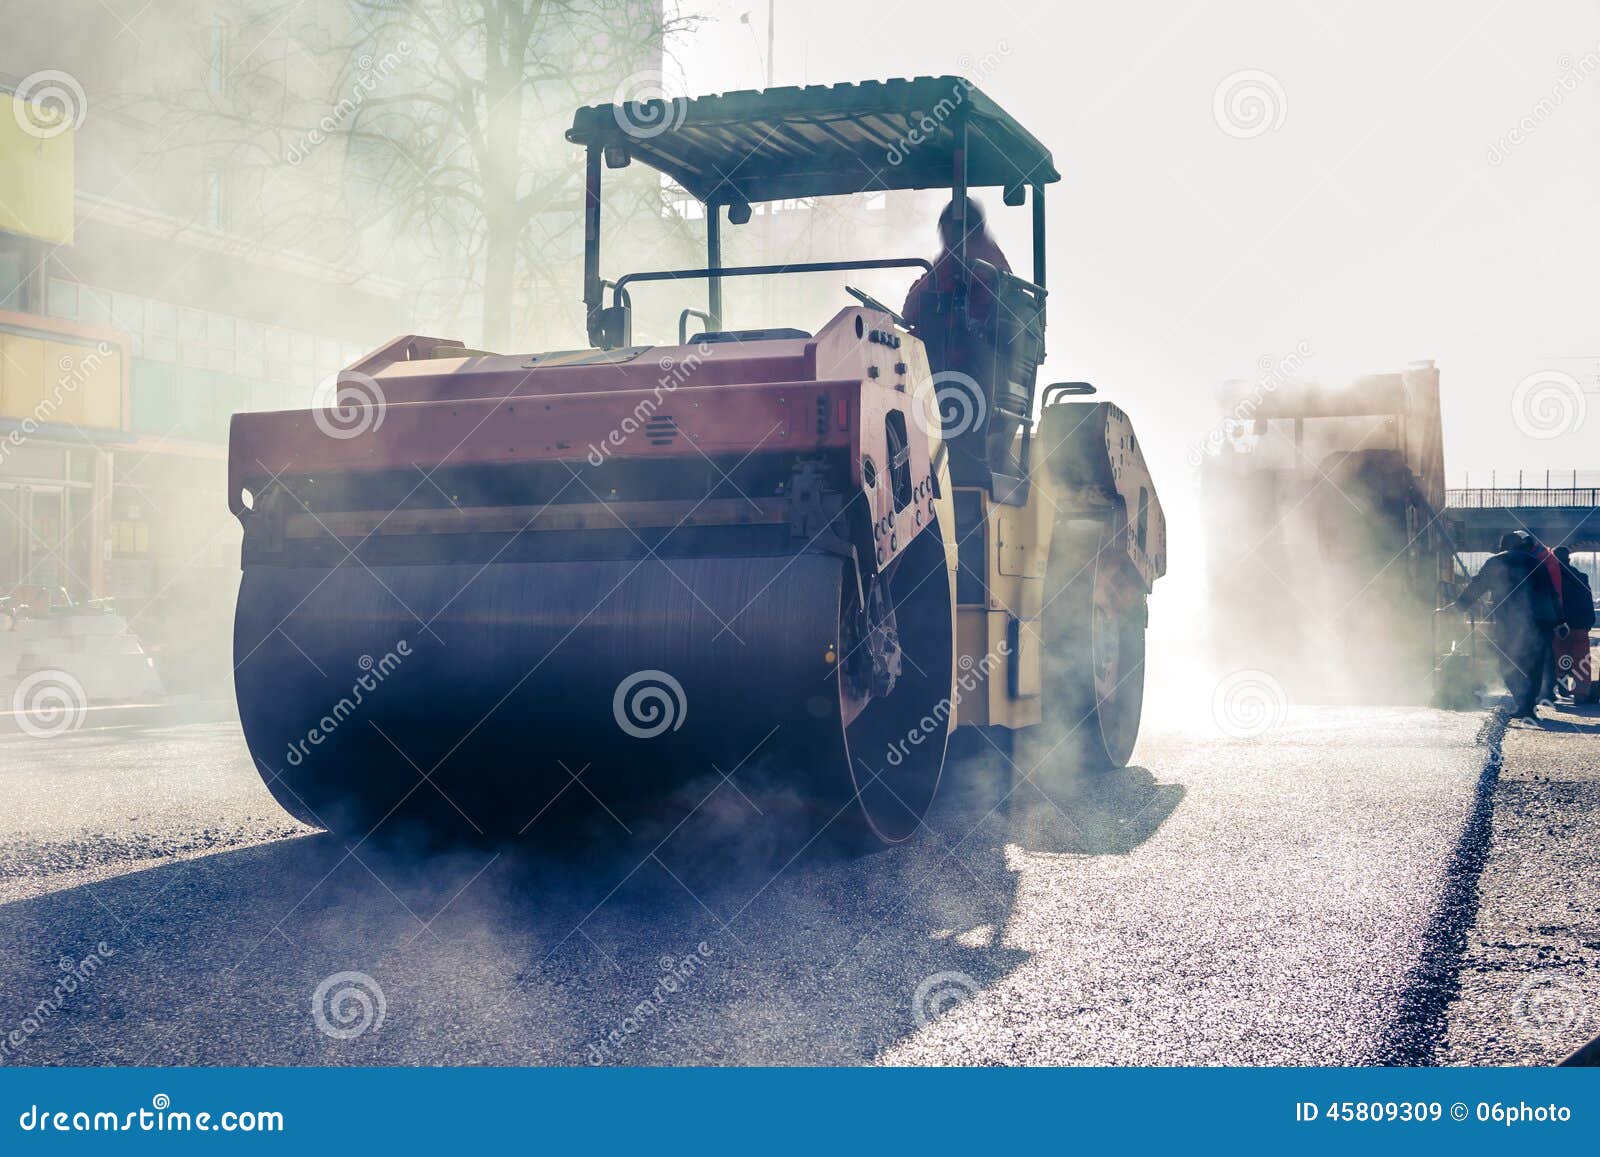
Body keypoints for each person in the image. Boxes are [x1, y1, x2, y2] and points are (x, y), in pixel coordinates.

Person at [1456, 532, 1564, 720]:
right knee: (1534, 665)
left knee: (1507, 662)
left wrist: (1460, 605)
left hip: (1510, 623)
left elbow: (1478, 584)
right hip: (1541, 622)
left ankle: (1522, 701)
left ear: (1504, 545)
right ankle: (1527, 706)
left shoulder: (1497, 562)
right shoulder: (1537, 563)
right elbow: (1552, 593)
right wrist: (1559, 620)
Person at [900, 196, 1012, 333]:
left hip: (956, 347)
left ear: (954, 228)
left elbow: (910, 311)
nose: (942, 235)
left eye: (943, 228)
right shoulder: (992, 257)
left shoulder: (959, 261)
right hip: (972, 342)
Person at [1552, 545, 1596, 702]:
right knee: (1581, 660)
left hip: (1560, 626)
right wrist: (1589, 621)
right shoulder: (1581, 577)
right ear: (1569, 560)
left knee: (1560, 658)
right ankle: (1580, 694)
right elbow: (1587, 602)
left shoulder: (1551, 577)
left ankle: (1562, 687)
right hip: (1581, 626)